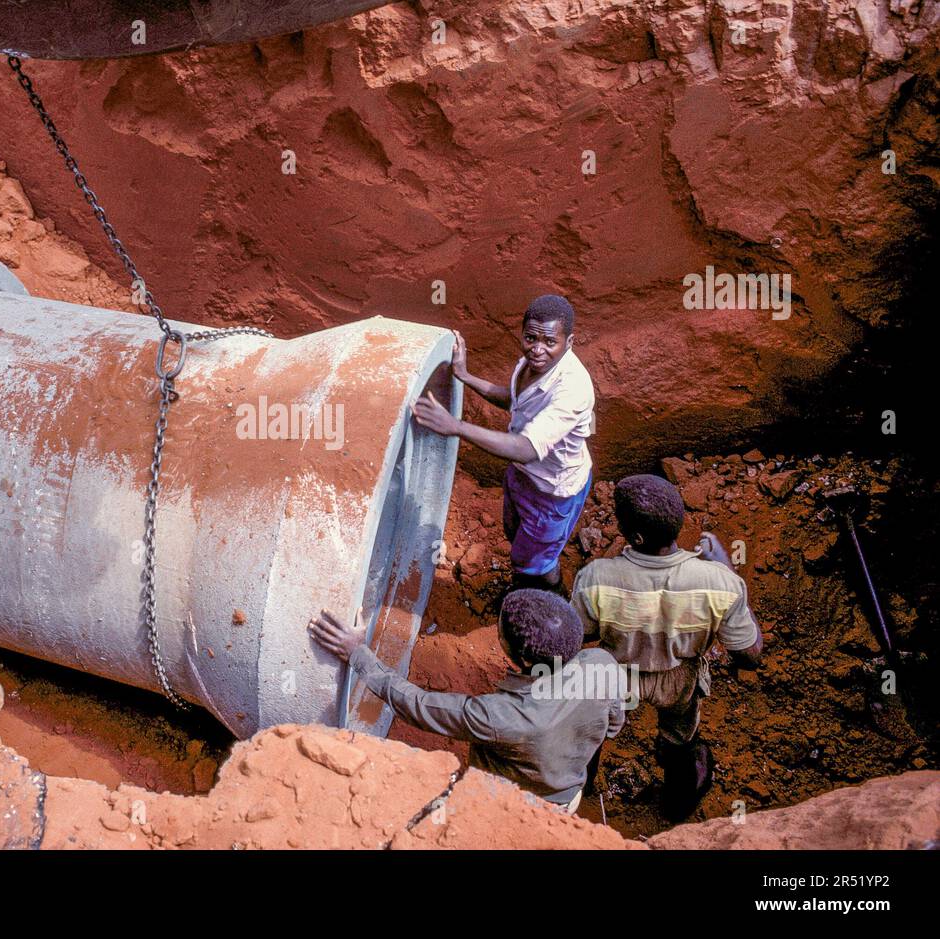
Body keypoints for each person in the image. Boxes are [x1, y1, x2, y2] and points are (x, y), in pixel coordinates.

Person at [309, 589, 625, 814]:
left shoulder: (500, 717)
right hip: (566, 798)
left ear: (523, 658)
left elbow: (419, 705)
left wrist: (358, 654)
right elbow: (613, 725)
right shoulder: (600, 661)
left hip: (510, 807)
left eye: (499, 633)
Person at [570, 474, 763, 822]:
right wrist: (727, 569)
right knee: (681, 739)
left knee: (593, 729)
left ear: (636, 536)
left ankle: (579, 791)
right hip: (679, 678)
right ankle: (677, 807)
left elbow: (579, 637)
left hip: (616, 675)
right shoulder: (719, 582)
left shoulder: (595, 577)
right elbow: (749, 655)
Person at [413, 295, 595, 594]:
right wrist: (464, 376)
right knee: (515, 533)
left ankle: (549, 604)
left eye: (550, 342)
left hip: (551, 491)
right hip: (523, 475)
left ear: (569, 341)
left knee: (536, 562)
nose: (537, 349)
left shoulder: (571, 389)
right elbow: (514, 399)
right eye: (530, 338)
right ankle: (526, 583)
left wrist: (456, 427)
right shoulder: (532, 365)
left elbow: (526, 448)